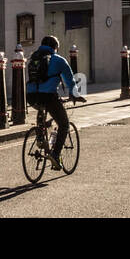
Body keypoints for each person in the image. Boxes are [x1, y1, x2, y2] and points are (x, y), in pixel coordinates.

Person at [26, 35, 85, 169]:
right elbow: (70, 80)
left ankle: (41, 136)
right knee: (64, 125)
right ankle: (55, 155)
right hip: (47, 96)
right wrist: (75, 95)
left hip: (30, 96)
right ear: (55, 48)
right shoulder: (58, 60)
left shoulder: (33, 57)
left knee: (41, 107)